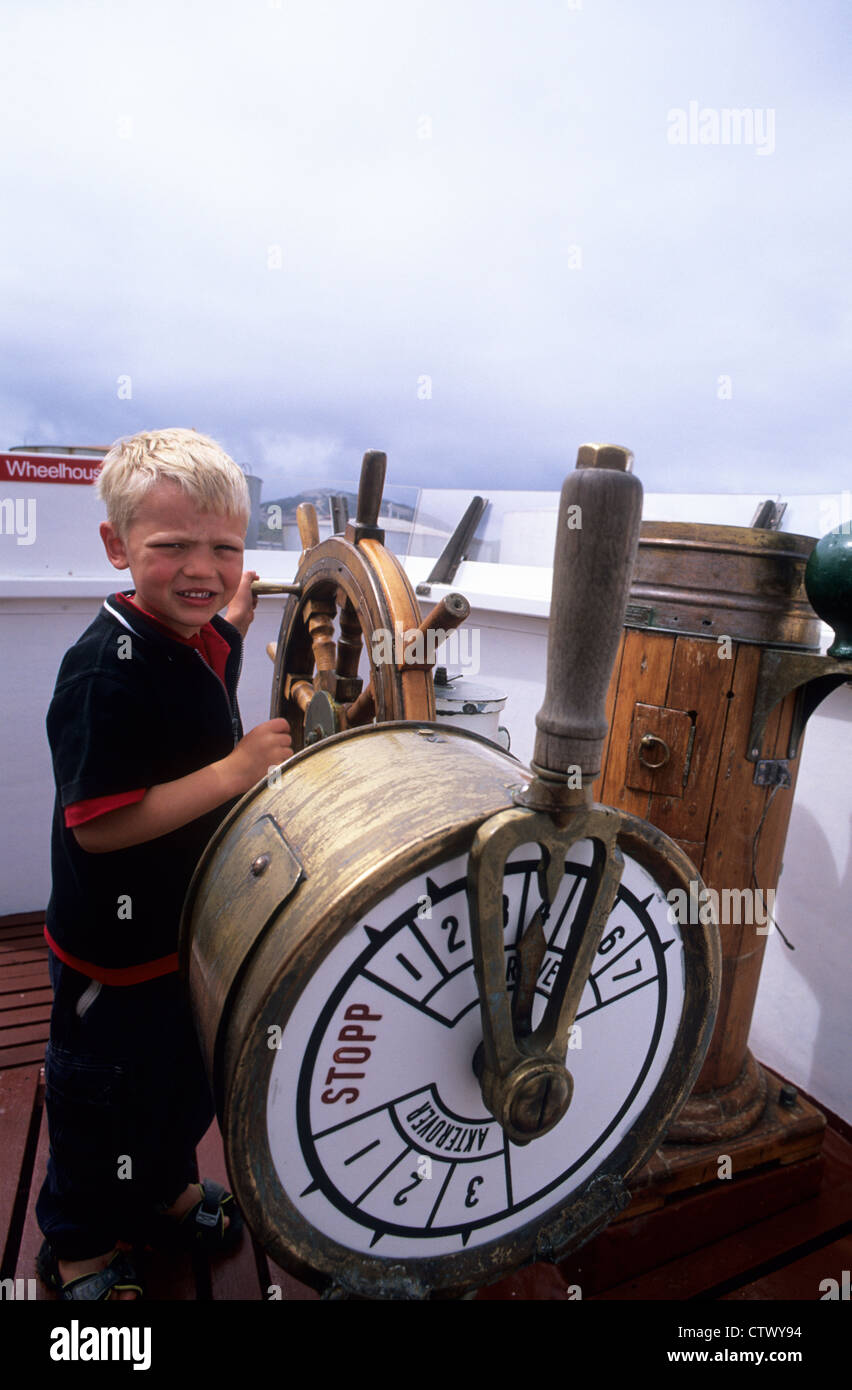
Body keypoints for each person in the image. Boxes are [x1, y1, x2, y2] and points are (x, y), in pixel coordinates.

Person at [35, 427, 293, 1300]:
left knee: (178, 1083)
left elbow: (209, 630)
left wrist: (229, 610)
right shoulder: (104, 675)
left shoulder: (186, 637)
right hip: (109, 958)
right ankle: (78, 1245)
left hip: (183, 940)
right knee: (98, 1099)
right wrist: (232, 773)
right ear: (115, 547)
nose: (202, 567)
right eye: (172, 546)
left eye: (224, 547)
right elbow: (98, 828)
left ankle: (164, 1190)